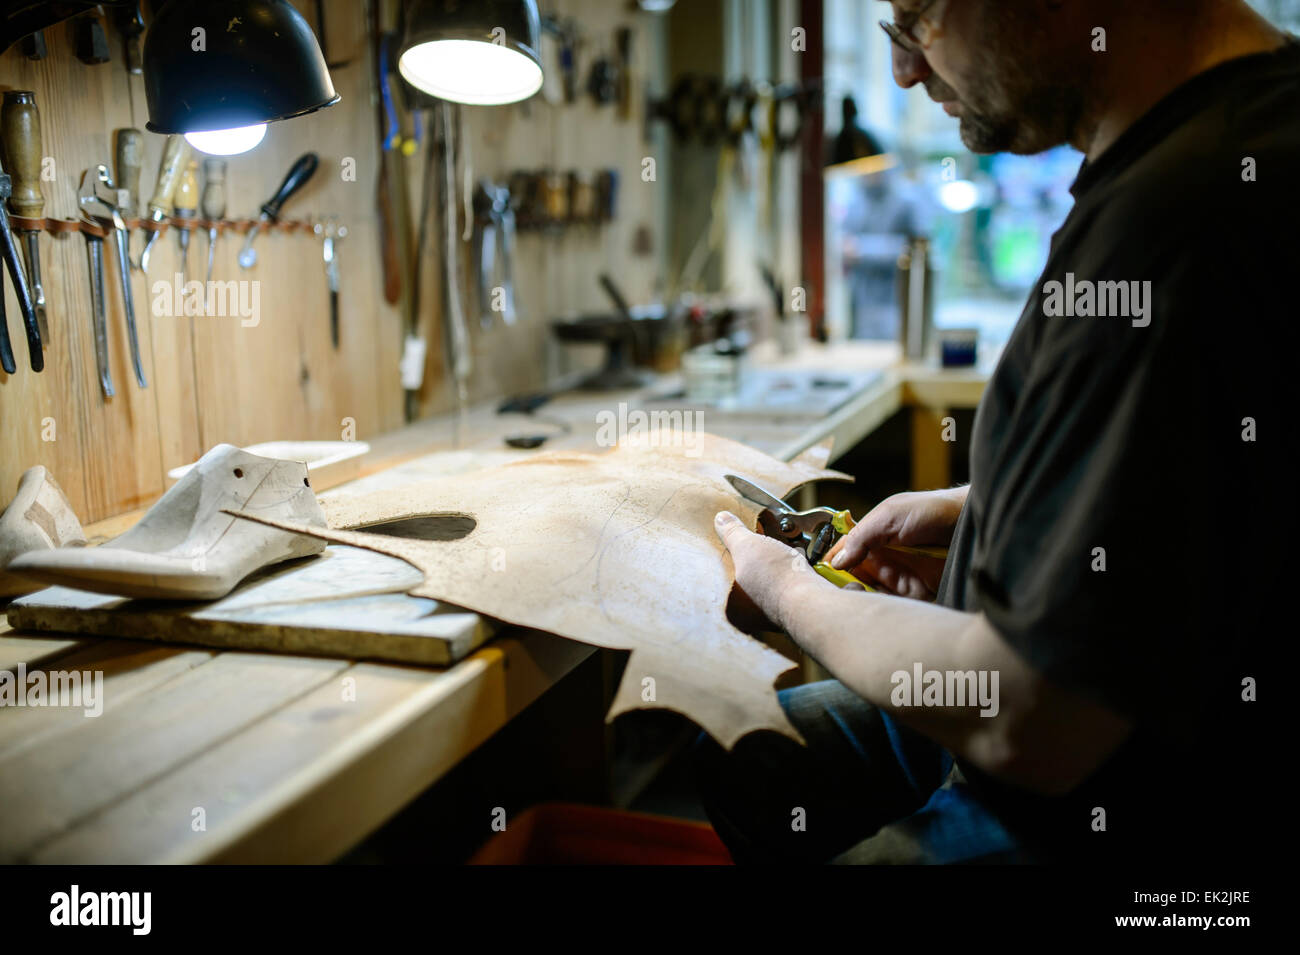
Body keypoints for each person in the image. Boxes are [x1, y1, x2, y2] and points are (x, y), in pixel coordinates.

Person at [696, 0, 1294, 864]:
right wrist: (987, 511)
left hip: (1120, 799)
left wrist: (794, 593)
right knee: (743, 752)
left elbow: (1030, 720)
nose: (905, 68)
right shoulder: (1221, 133)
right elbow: (1196, 464)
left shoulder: (1188, 220)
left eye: (916, 16)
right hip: (1110, 714)